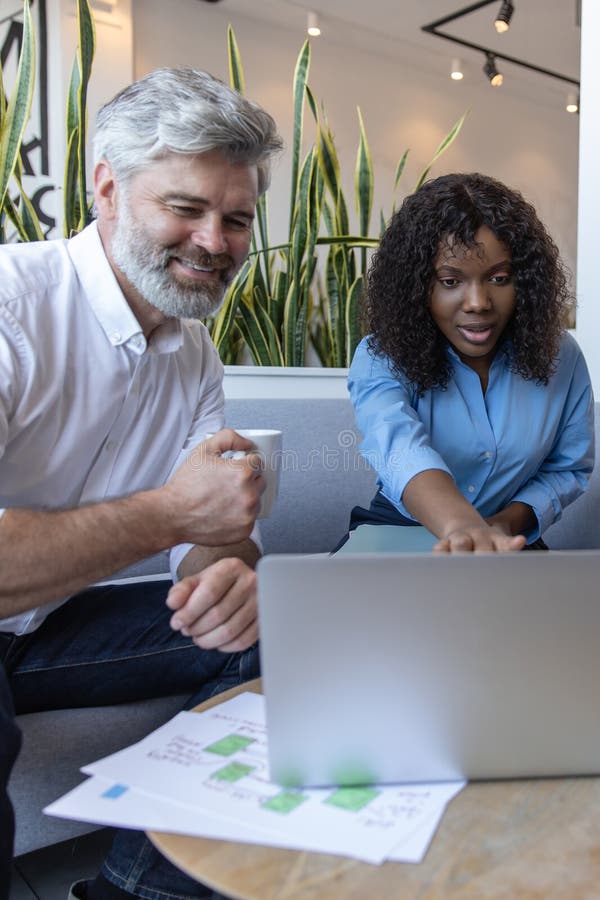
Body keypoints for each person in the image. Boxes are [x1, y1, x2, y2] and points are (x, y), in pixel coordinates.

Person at [0, 67, 282, 900]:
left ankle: (131, 890)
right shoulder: (13, 309)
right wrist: (171, 513)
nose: (213, 242)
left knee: (285, 638)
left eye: (235, 219)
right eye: (185, 209)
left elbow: (212, 536)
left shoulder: (194, 355)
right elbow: (180, 509)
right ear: (108, 189)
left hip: (46, 626)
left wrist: (227, 576)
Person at [345, 172, 594, 553]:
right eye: (449, 281)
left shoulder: (563, 357)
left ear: (525, 280)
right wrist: (462, 526)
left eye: (499, 278)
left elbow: (567, 469)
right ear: (418, 286)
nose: (478, 302)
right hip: (399, 529)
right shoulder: (383, 355)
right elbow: (398, 448)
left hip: (509, 539)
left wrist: (502, 524)